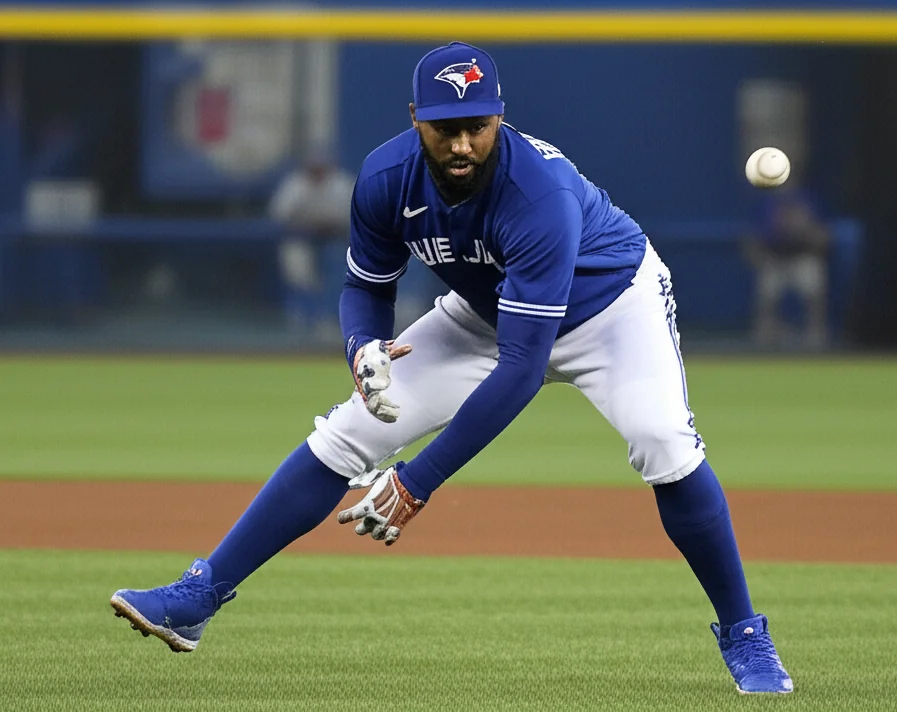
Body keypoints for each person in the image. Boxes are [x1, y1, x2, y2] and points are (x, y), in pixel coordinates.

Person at [110, 42, 793, 695]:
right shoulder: (384, 178)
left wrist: (415, 483)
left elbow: (523, 370)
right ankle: (200, 596)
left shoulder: (538, 193)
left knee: (662, 442)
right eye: (445, 129)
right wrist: (364, 348)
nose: (462, 143)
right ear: (416, 123)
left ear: (500, 117)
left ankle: (744, 633)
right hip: (486, 313)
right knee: (350, 434)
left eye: (476, 125)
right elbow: (367, 287)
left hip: (611, 310)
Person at [269, 149, 356, 339]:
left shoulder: (341, 183)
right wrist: (309, 224)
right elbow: (279, 217)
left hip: (336, 240)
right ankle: (299, 320)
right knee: (299, 273)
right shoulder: (295, 184)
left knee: (339, 270)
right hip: (301, 239)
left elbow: (356, 216)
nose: (318, 171)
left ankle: (329, 321)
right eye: (314, 167)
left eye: (321, 166)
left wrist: (330, 225)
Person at [743, 182, 830, 349]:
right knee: (767, 287)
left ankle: (816, 337)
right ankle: (766, 337)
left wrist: (805, 231)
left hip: (802, 258)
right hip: (774, 260)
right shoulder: (764, 204)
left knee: (812, 276)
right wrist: (760, 256)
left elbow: (824, 239)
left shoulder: (810, 200)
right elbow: (750, 242)